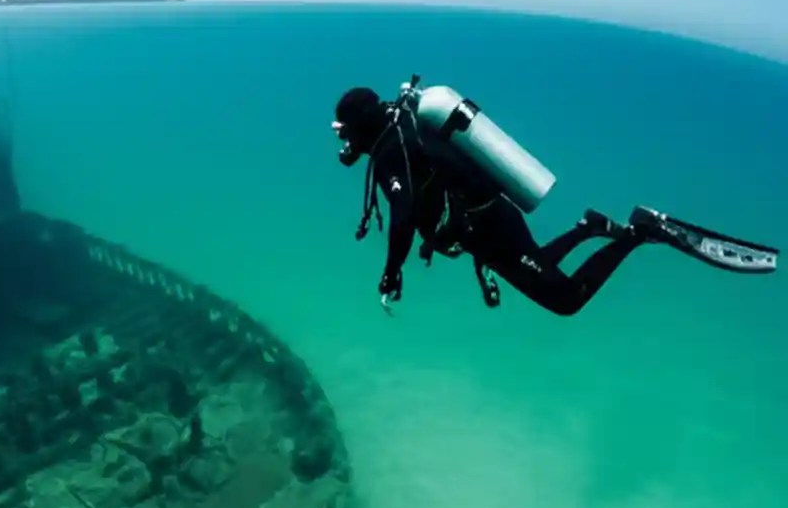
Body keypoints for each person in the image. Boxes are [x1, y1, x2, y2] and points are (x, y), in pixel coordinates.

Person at [331, 82, 777, 316]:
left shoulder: (392, 150)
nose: (344, 140)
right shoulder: (404, 126)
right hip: (487, 222)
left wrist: (391, 273)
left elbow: (405, 213)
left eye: (345, 130)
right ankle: (589, 228)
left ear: (362, 126)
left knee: (565, 299)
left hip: (489, 228)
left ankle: (642, 231)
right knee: (535, 262)